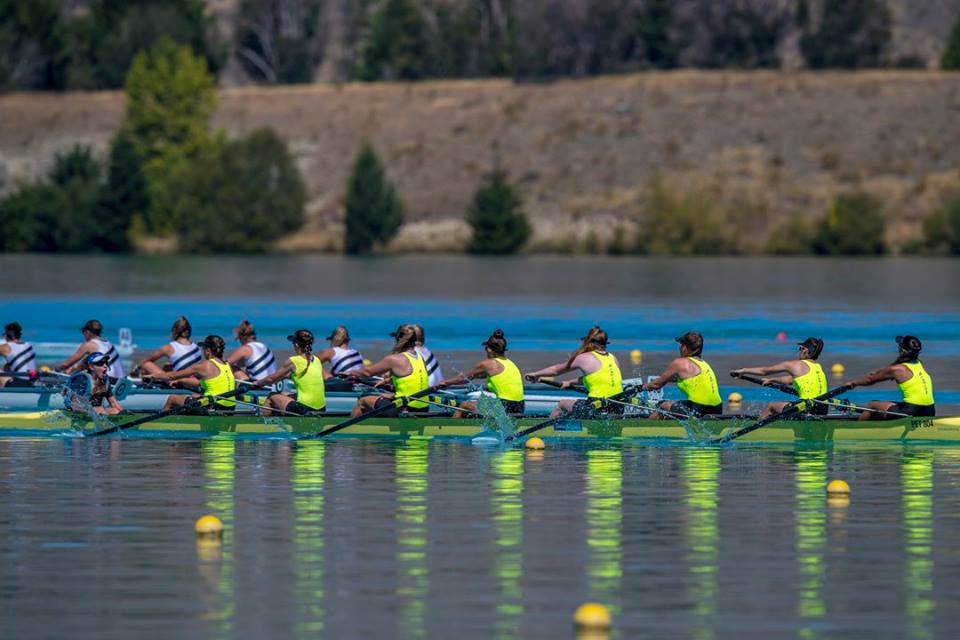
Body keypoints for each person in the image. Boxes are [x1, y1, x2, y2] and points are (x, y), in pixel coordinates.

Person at [525, 326, 623, 419]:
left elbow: (556, 370)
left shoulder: (585, 357)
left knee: (561, 404)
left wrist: (536, 374)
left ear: (589, 342)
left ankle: (550, 431)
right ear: (605, 343)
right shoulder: (613, 358)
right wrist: (569, 383)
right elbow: (597, 378)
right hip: (618, 407)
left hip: (595, 408)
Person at [731, 337, 828, 419]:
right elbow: (790, 380)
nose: (799, 351)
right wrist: (772, 380)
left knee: (771, 406)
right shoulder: (818, 367)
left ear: (805, 350)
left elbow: (764, 371)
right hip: (823, 408)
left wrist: (743, 370)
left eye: (800, 348)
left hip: (805, 408)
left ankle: (759, 432)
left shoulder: (793, 365)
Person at [439, 329, 525, 418]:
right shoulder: (511, 363)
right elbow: (483, 375)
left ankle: (452, 429)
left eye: (486, 348)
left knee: (464, 405)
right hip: (520, 407)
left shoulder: (488, 364)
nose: (485, 350)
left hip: (505, 406)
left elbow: (464, 378)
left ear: (490, 350)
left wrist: (446, 383)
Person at [846, 335, 935, 420]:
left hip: (909, 411)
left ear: (903, 351)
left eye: (899, 346)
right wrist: (879, 372)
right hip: (929, 411)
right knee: (882, 408)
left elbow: (870, 380)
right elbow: (894, 366)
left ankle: (858, 429)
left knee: (872, 404)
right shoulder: (919, 363)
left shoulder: (897, 370)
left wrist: (853, 383)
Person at [350, 325, 430, 418]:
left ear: (399, 339)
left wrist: (350, 373)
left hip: (403, 408)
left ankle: (350, 431)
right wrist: (389, 380)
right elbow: (413, 379)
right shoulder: (420, 357)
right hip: (424, 409)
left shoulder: (394, 359)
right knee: (384, 397)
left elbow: (368, 372)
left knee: (363, 401)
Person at [146, 336, 237, 412]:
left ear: (208, 350)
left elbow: (171, 376)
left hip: (212, 406)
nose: (203, 352)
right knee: (195, 395)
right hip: (230, 407)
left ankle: (164, 424)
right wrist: (180, 381)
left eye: (203, 349)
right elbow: (199, 383)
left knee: (172, 398)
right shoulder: (227, 365)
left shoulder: (204, 365)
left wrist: (152, 376)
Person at [643, 331, 722, 418]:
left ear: (685, 347)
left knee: (663, 405)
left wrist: (640, 387)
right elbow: (672, 379)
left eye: (681, 344)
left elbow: (656, 384)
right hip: (717, 409)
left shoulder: (680, 363)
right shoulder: (705, 364)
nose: (679, 348)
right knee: (675, 406)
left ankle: (643, 429)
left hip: (699, 408)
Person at [255, 330, 326, 416]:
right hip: (322, 409)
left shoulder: (294, 361)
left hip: (305, 408)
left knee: (272, 396)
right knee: (285, 395)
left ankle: (262, 425)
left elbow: (271, 379)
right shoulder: (317, 360)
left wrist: (257, 383)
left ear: (296, 345)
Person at [134, 316, 202, 388]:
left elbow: (147, 360)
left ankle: (159, 384)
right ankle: (161, 385)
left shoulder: (169, 347)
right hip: (195, 381)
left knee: (146, 364)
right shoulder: (196, 347)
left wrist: (135, 370)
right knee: (167, 366)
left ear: (174, 332)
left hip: (181, 382)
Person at [57, 319, 124, 380]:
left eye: (83, 332)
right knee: (91, 365)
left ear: (87, 332)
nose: (83, 335)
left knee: (85, 372)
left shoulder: (89, 345)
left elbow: (66, 365)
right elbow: (84, 363)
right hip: (121, 380)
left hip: (108, 380)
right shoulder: (108, 343)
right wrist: (72, 369)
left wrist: (56, 371)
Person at [317, 325, 364, 391]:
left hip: (341, 385)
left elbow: (312, 362)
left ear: (334, 340)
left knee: (314, 365)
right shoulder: (357, 353)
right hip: (357, 384)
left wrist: (328, 376)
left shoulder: (330, 351)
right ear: (348, 341)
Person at [0, 322, 37, 388]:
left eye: (4, 334)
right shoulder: (28, 346)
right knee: (6, 367)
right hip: (32, 383)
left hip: (19, 383)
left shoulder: (5, 347)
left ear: (7, 335)